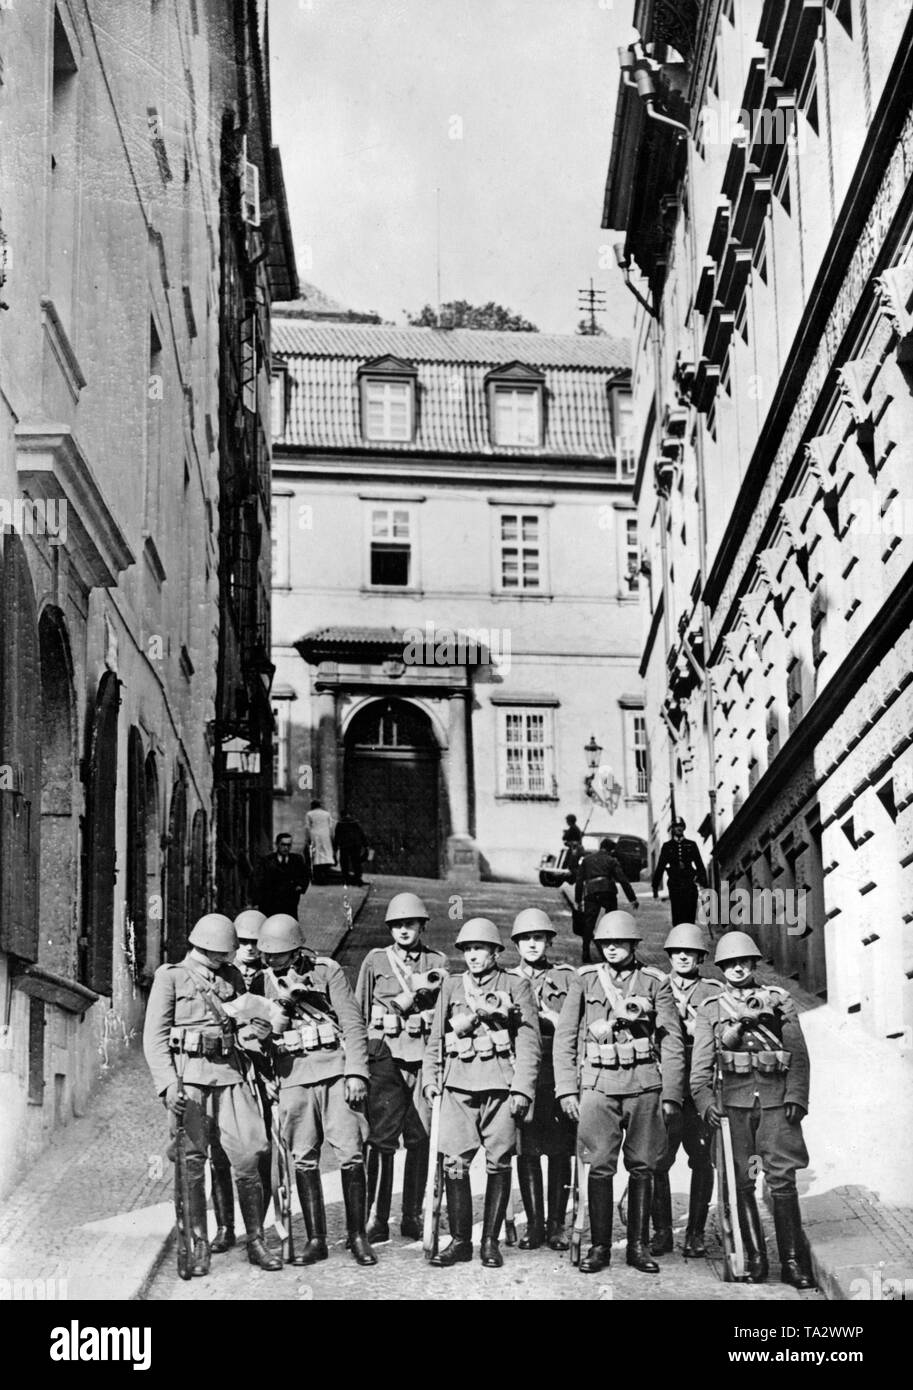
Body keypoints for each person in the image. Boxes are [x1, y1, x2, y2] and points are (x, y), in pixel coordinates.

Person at [142, 913, 281, 1275]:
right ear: (209, 949)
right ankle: (197, 1246)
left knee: (251, 1152)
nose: (232, 959)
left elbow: (242, 1028)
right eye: (226, 953)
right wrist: (168, 1085)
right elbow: (154, 1038)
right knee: (191, 1162)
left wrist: (259, 1029)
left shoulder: (232, 977)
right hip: (190, 1079)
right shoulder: (170, 977)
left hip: (231, 1075)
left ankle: (255, 1240)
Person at [553, 909, 685, 1275]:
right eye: (606, 943)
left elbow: (671, 1040)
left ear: (633, 944)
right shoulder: (585, 981)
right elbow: (565, 1037)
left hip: (644, 1085)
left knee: (643, 1166)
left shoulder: (655, 982)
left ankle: (639, 1247)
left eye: (619, 943)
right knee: (598, 1165)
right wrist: (567, 1089)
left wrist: (672, 1093)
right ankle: (600, 1247)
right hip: (597, 1085)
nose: (612, 949)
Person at [689, 931, 814, 1288]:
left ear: (753, 965)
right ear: (722, 968)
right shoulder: (711, 1008)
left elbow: (798, 1055)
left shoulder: (778, 1001)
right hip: (734, 1106)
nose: (738, 969)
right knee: (742, 1180)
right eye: (730, 964)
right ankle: (755, 1257)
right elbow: (700, 1066)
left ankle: (791, 1262)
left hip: (776, 1102)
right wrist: (705, 1103)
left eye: (744, 963)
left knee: (782, 1178)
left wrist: (796, 1097)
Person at [252, 912, 376, 1266]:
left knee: (350, 1153)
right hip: (292, 1076)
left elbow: (352, 1024)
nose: (270, 961)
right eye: (266, 955)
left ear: (295, 951)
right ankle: (316, 1239)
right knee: (303, 1157)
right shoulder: (261, 984)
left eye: (277, 955)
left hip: (335, 1071)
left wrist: (357, 1073)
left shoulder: (326, 971)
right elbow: (257, 1038)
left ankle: (357, 1236)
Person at [422, 919, 541, 1269]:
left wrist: (522, 1088)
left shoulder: (516, 985)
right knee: (454, 1164)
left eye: (480, 949)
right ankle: (460, 1241)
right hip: (458, 1085)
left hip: (501, 1087)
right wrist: (431, 1079)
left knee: (498, 1161)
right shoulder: (452, 986)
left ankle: (490, 1240)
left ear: (495, 952)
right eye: (468, 949)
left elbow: (529, 1042)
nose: (473, 956)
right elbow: (435, 1040)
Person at [355, 892, 448, 1242]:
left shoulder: (437, 960)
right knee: (381, 1139)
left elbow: (443, 1015)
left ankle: (411, 1215)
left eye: (410, 924)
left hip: (423, 1057)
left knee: (421, 1137)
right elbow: (360, 1013)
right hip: (386, 1057)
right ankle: (378, 1217)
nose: (404, 931)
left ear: (422, 925)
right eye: (397, 925)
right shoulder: (376, 960)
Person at [650, 922, 721, 1259]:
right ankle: (662, 1230)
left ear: (700, 957)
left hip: (701, 1086)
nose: (682, 958)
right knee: (657, 1159)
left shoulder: (712, 991)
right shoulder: (654, 987)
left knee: (703, 1159)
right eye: (677, 952)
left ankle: (695, 1231)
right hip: (666, 1084)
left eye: (689, 953)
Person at [507, 908, 576, 1251]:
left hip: (558, 1072)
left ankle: (557, 1225)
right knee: (528, 1149)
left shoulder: (566, 978)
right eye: (525, 939)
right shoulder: (505, 980)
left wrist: (550, 1016)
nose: (532, 945)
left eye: (538, 938)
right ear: (516, 944)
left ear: (549, 941)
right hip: (524, 1075)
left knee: (561, 1150)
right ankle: (534, 1224)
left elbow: (577, 1023)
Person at [574, 836, 639, 964]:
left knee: (588, 924)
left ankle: (585, 954)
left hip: (591, 893)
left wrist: (578, 899)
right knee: (611, 922)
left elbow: (579, 881)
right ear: (610, 850)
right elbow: (623, 880)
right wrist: (632, 898)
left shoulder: (587, 860)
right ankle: (610, 953)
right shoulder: (611, 860)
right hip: (608, 892)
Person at [651, 818, 708, 927]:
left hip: (689, 884)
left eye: (681, 826)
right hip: (675, 884)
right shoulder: (667, 846)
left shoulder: (691, 845)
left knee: (690, 914)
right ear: (672, 829)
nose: (679, 828)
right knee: (677, 915)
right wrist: (655, 887)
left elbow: (700, 865)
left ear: (684, 827)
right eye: (676, 826)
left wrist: (704, 883)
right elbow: (660, 867)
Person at [252, 833, 310, 918]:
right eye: (283, 845)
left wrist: (300, 886)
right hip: (269, 904)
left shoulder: (297, 860)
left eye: (288, 845)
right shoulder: (267, 861)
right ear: (277, 844)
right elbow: (258, 881)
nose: (286, 848)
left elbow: (305, 875)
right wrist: (256, 902)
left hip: (289, 904)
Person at [233, 909, 266, 989]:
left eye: (255, 942)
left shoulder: (267, 972)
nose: (250, 948)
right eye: (243, 941)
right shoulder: (225, 970)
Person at [305, 800, 336, 885]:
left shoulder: (309, 814)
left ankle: (318, 877)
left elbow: (308, 827)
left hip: (314, 835)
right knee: (326, 853)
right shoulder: (326, 814)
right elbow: (331, 827)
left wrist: (307, 838)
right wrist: (332, 837)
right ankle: (325, 876)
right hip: (325, 834)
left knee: (316, 855)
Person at [333, 809, 367, 886]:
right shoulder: (355, 823)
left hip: (344, 846)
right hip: (355, 845)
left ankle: (346, 879)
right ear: (348, 814)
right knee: (356, 862)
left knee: (344, 863)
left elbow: (337, 837)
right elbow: (361, 834)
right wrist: (365, 845)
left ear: (341, 815)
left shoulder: (340, 823)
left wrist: (335, 848)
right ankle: (358, 878)